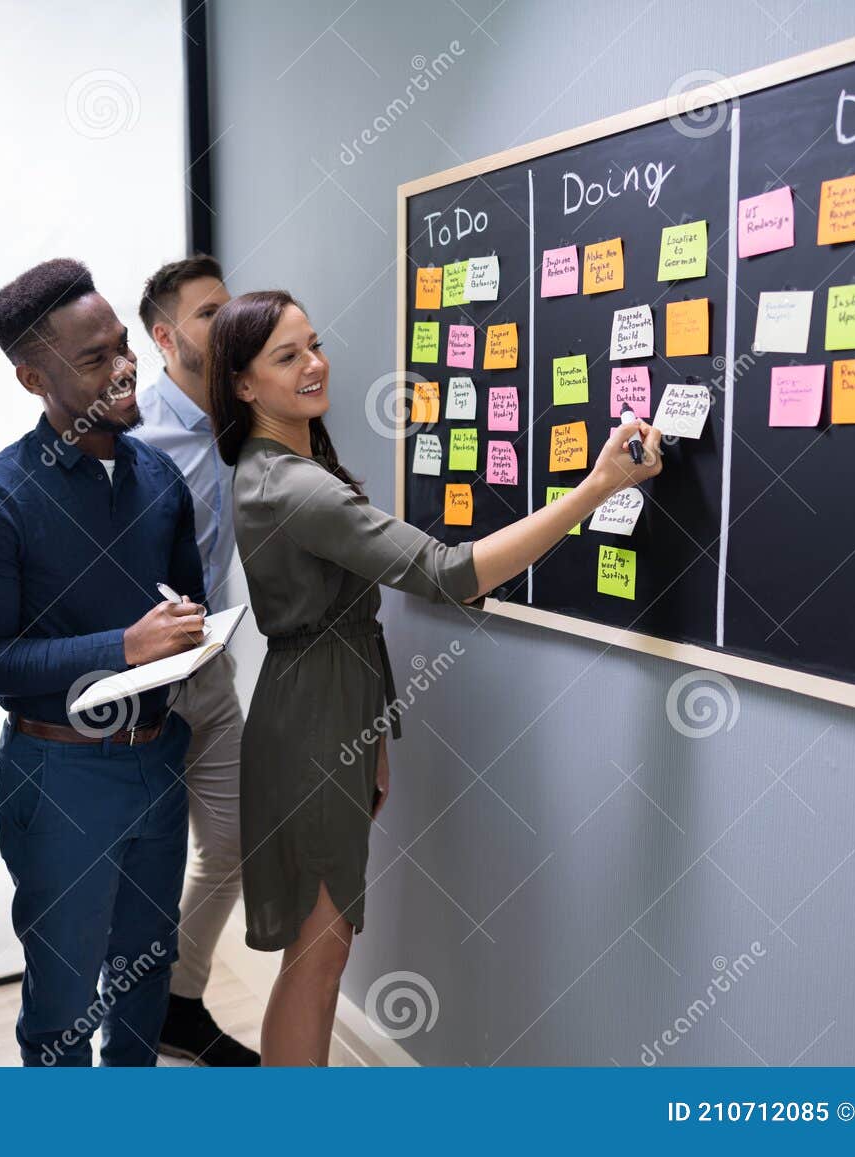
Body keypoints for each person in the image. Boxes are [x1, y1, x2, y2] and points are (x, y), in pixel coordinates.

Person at [207, 290, 662, 1065]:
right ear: (243, 384)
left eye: (313, 343)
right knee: (320, 960)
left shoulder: (278, 463)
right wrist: (593, 491)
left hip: (320, 713)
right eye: (287, 356)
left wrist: (373, 734)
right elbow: (450, 574)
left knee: (319, 950)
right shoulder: (295, 485)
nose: (314, 364)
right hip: (314, 725)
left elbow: (342, 620)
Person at [0, 258, 205, 1066]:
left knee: (145, 982)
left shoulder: (159, 478)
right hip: (58, 778)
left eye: (123, 346)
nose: (125, 367)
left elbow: (184, 613)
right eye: (95, 359)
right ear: (33, 378)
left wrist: (195, 633)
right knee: (62, 1004)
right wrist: (122, 648)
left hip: (157, 763)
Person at [131, 255, 256, 1065]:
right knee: (141, 867)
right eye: (210, 314)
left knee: (240, 838)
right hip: (142, 686)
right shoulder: (132, 434)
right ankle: (133, 1027)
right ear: (165, 335)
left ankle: (178, 999)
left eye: (229, 307)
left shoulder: (247, 416)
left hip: (213, 667)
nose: (228, 323)